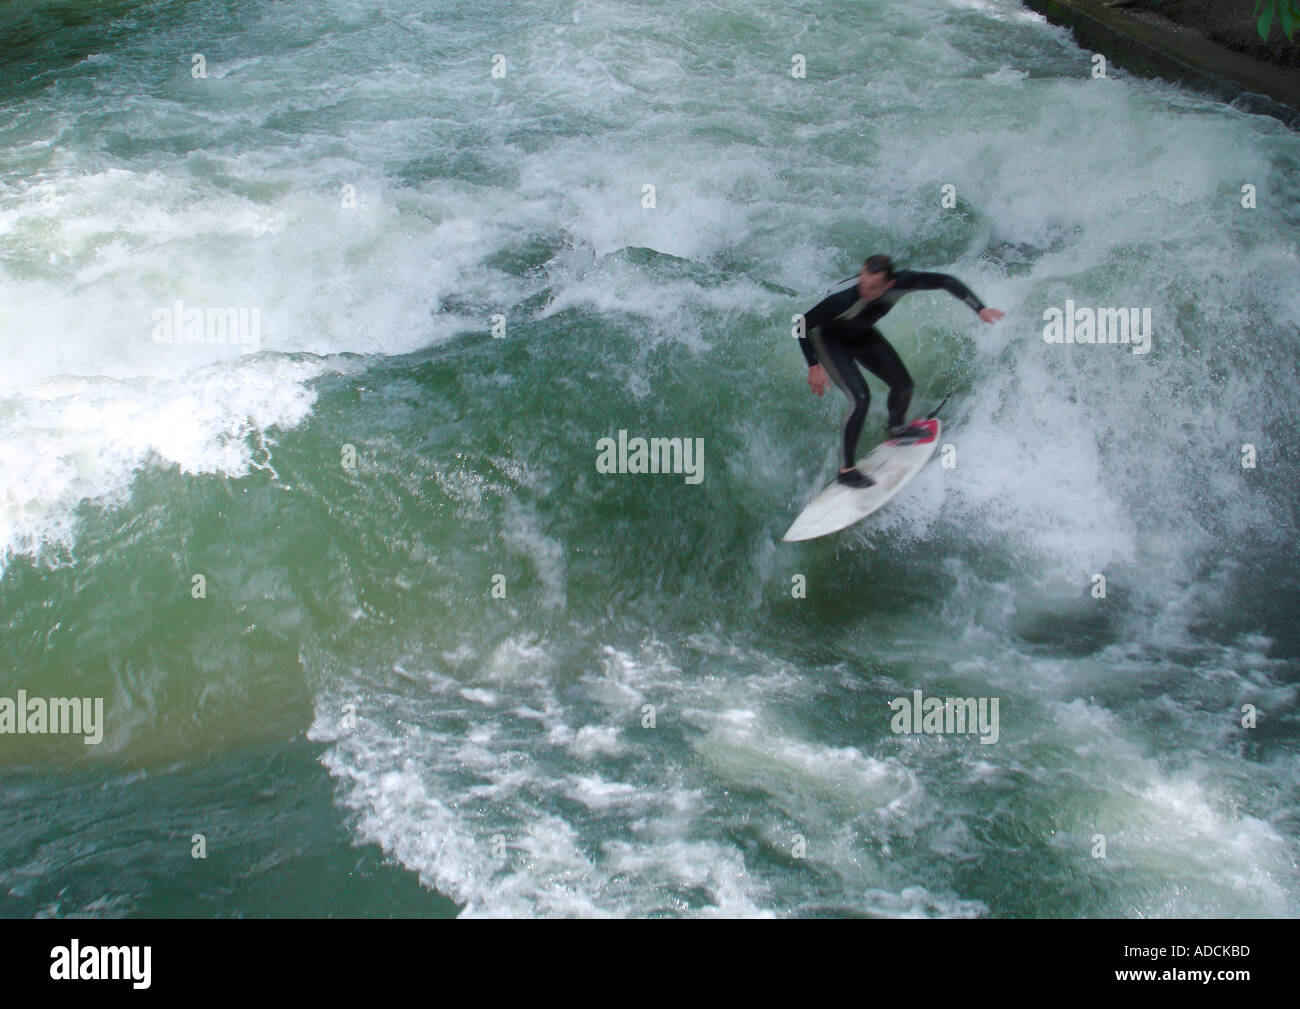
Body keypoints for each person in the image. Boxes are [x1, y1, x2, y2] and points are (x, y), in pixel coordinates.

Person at [798, 254, 1004, 487]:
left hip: (861, 335)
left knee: (903, 385)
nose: (865, 291)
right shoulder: (842, 299)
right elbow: (802, 324)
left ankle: (897, 429)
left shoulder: (903, 281)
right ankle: (846, 470)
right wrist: (813, 365)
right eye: (864, 284)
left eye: (873, 288)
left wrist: (980, 309)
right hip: (831, 341)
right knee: (860, 398)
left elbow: (946, 281)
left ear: (889, 285)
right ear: (862, 272)